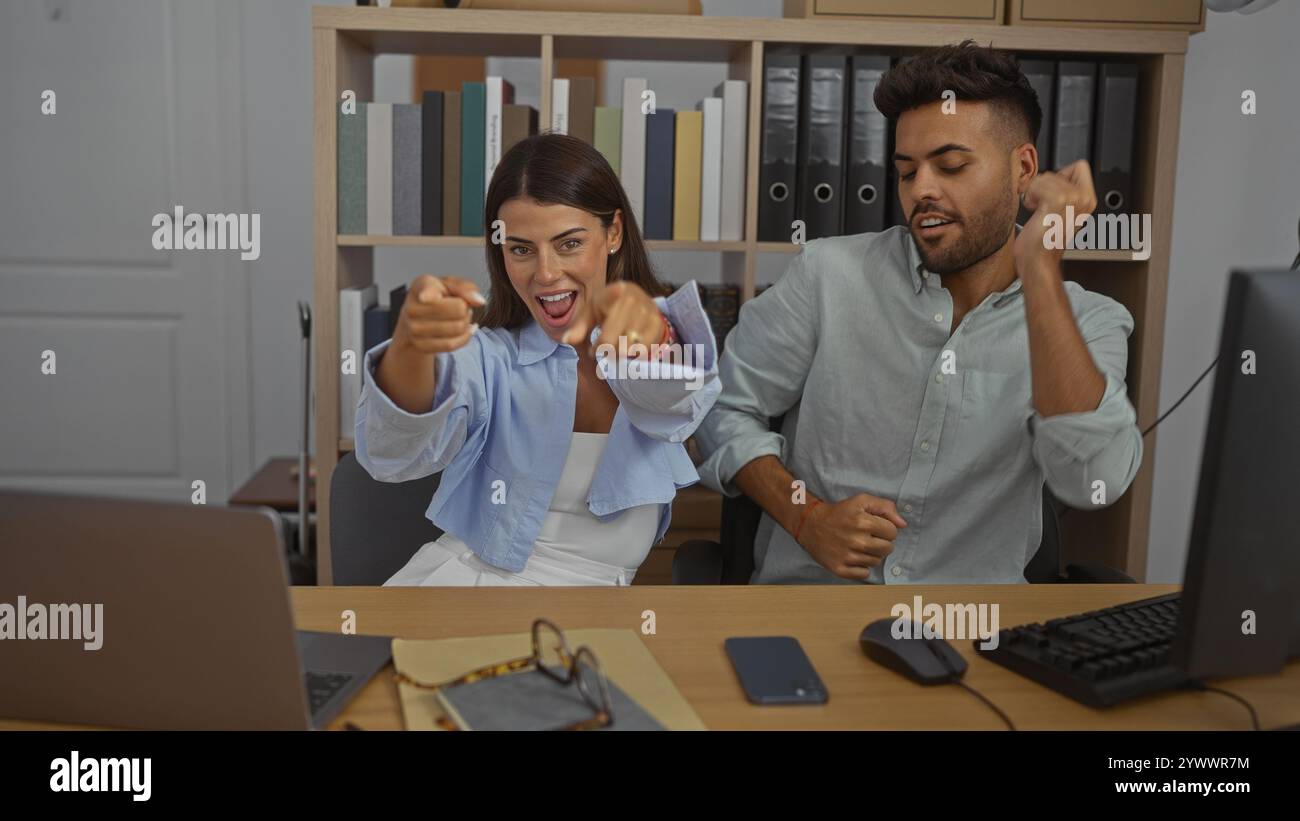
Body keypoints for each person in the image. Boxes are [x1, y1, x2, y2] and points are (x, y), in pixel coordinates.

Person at [694, 41, 1142, 584]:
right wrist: (805, 516)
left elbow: (1093, 480)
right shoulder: (827, 275)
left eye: (951, 166)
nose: (921, 191)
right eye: (907, 172)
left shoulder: (1091, 321)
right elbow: (721, 411)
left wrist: (1040, 268)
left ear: (1022, 168)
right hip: (815, 615)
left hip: (976, 633)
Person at [357, 133, 719, 586]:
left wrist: (655, 334)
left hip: (587, 614)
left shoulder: (658, 342)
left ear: (614, 233)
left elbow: (674, 400)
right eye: (521, 249)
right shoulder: (489, 355)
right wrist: (411, 347)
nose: (545, 274)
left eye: (568, 244)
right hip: (469, 592)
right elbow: (389, 454)